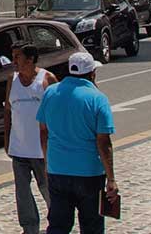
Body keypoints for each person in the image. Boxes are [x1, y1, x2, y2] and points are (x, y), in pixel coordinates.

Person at [37, 50, 116, 234]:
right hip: (89, 173)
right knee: (92, 226)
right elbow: (104, 143)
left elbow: (43, 132)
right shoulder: (97, 99)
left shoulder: (50, 93)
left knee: (58, 226)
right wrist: (111, 179)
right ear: (92, 73)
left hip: (57, 170)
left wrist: (48, 163)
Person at [5, 44, 54, 234]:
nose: (14, 61)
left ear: (30, 59)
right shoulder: (12, 80)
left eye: (17, 56)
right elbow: (8, 111)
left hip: (42, 150)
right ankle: (29, 228)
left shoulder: (47, 79)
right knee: (22, 191)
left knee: (47, 188)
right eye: (13, 56)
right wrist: (7, 140)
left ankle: (58, 222)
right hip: (19, 149)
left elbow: (58, 110)